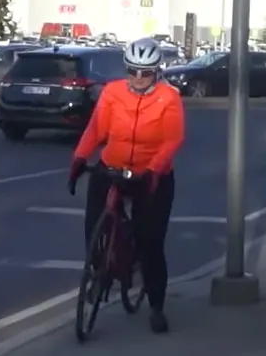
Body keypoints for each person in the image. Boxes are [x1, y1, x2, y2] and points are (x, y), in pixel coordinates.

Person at [67, 38, 185, 333]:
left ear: (157, 72)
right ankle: (98, 270)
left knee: (151, 244)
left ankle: (156, 307)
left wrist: (153, 170)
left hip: (151, 173)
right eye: (132, 71)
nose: (138, 78)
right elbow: (96, 130)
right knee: (95, 219)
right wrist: (79, 159)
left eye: (145, 73)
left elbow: (172, 139)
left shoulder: (169, 98)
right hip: (113, 165)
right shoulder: (112, 92)